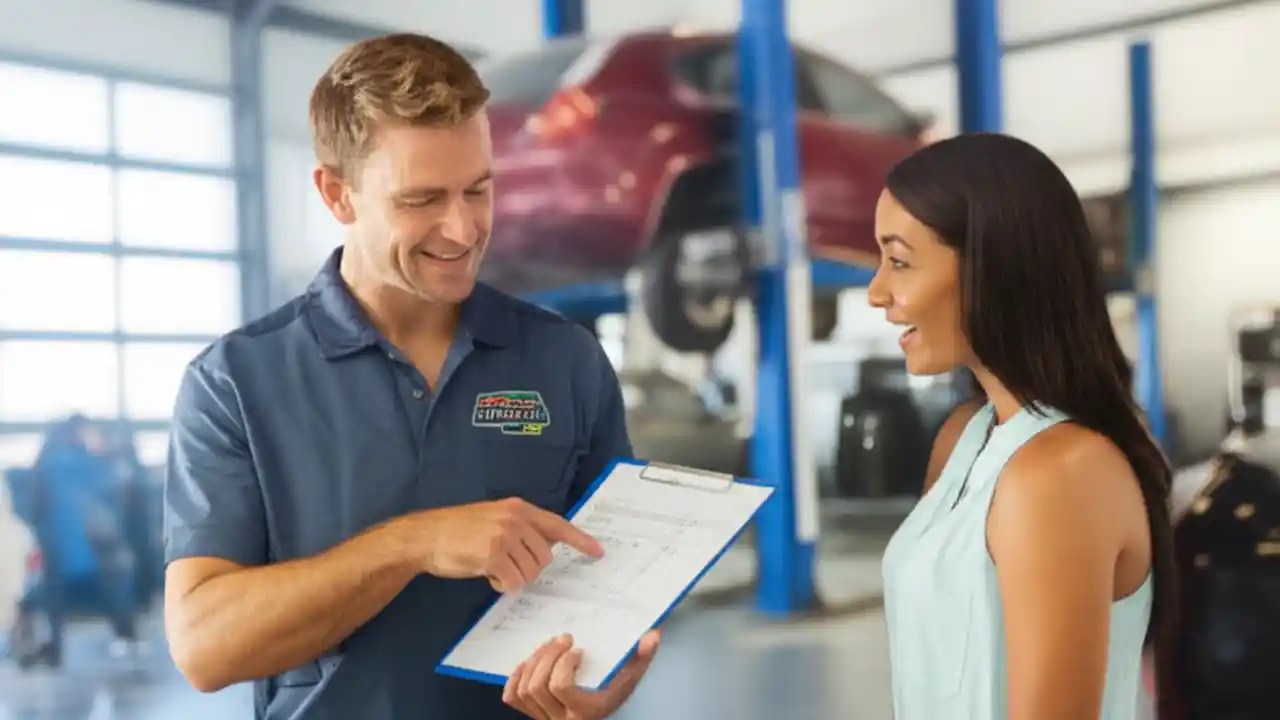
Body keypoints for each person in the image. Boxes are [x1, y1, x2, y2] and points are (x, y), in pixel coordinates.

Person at [162, 33, 658, 720]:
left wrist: (602, 684)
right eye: (421, 199)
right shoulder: (235, 385)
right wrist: (414, 543)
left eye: (478, 189)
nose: (462, 229)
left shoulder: (566, 360)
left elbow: (622, 588)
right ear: (337, 194)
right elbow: (204, 647)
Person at [873, 133, 1179, 719]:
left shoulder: (1060, 473)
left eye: (900, 261)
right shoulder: (964, 437)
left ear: (993, 267)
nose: (876, 291)